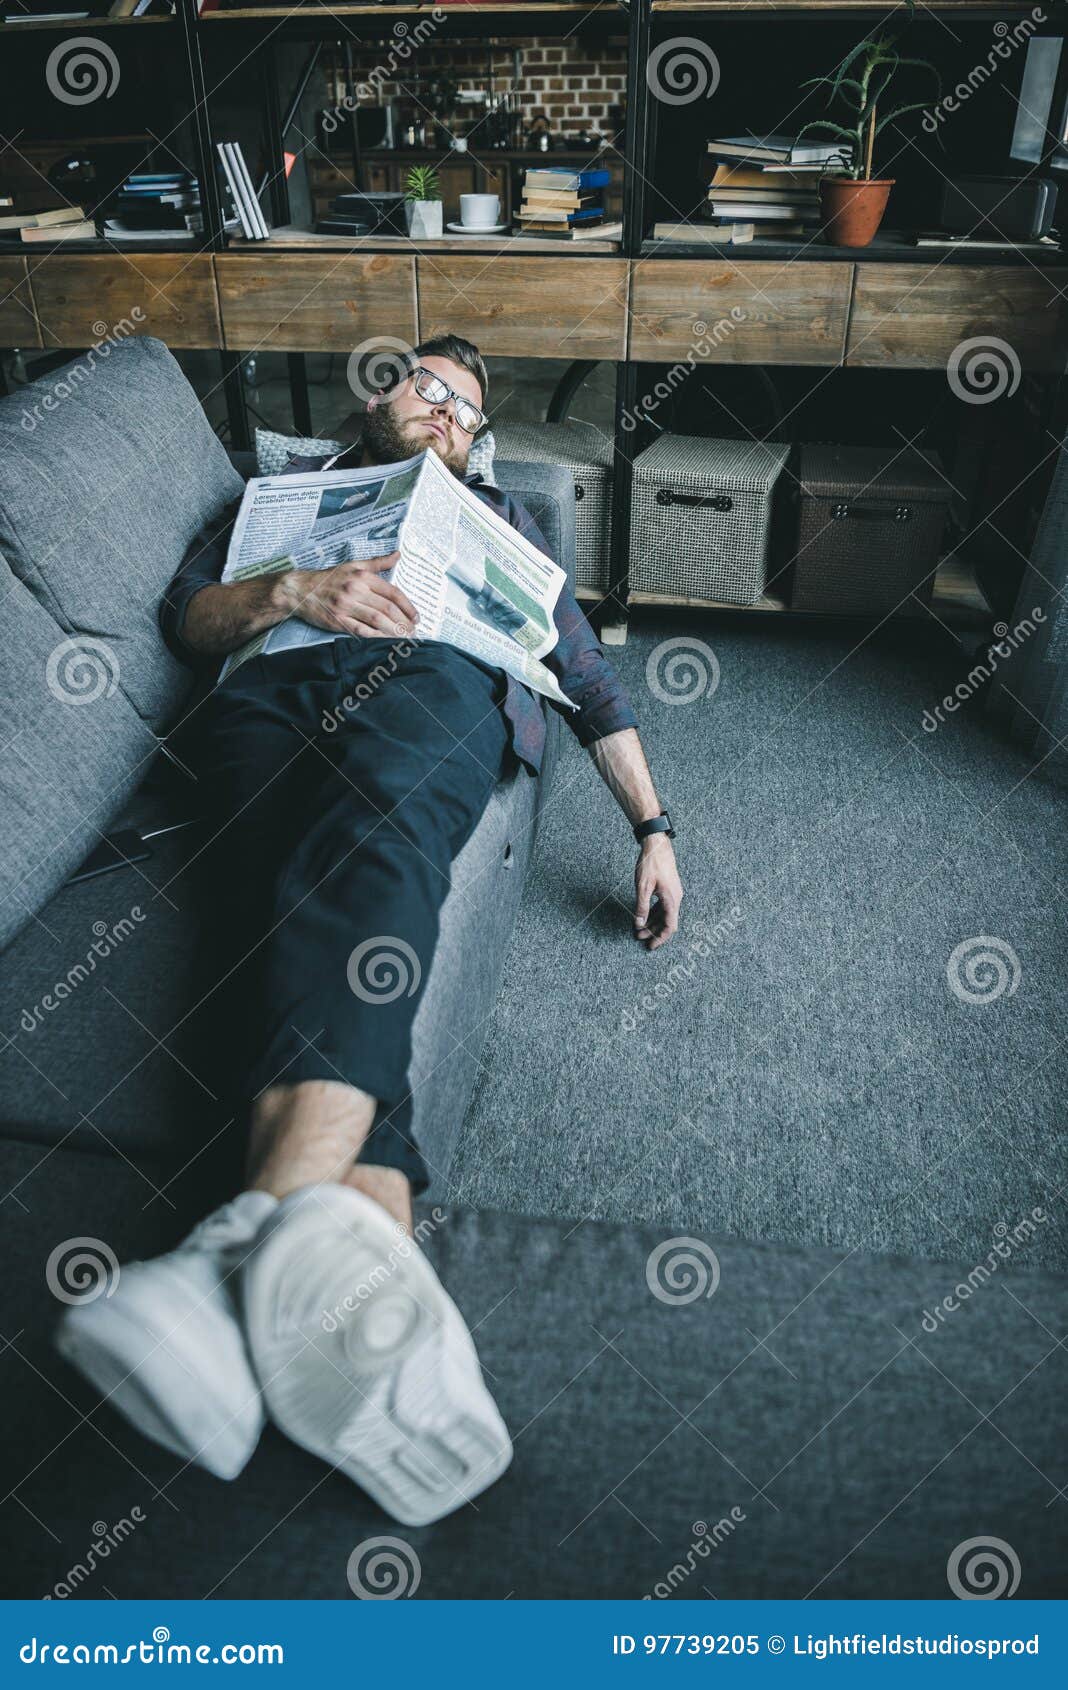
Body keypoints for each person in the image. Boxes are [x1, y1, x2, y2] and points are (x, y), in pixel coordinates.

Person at [55, 334, 683, 1527]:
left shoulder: (501, 520)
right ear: (379, 395)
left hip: (430, 677)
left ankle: (234, 1253)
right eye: (426, 385)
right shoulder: (278, 498)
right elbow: (191, 616)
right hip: (270, 694)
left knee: (376, 844)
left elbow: (587, 678)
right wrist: (296, 591)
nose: (445, 409)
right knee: (281, 909)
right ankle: (382, 1338)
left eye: (467, 407)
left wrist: (653, 827)